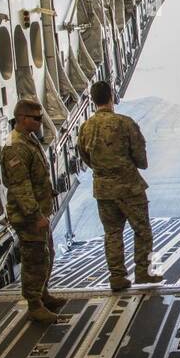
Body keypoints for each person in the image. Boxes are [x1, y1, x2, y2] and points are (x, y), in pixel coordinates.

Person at [77, 82, 161, 292]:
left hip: (104, 190)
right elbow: (141, 158)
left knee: (112, 233)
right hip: (129, 188)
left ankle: (117, 276)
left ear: (93, 100)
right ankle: (144, 272)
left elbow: (84, 157)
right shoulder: (125, 124)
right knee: (142, 231)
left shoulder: (85, 127)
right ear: (112, 97)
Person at [1, 98, 69, 322]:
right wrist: (35, 215)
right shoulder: (16, 147)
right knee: (34, 259)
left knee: (46, 254)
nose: (40, 122)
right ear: (21, 118)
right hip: (29, 216)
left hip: (38, 212)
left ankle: (43, 294)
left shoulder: (29, 140)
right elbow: (20, 187)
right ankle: (34, 304)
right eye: (36, 118)